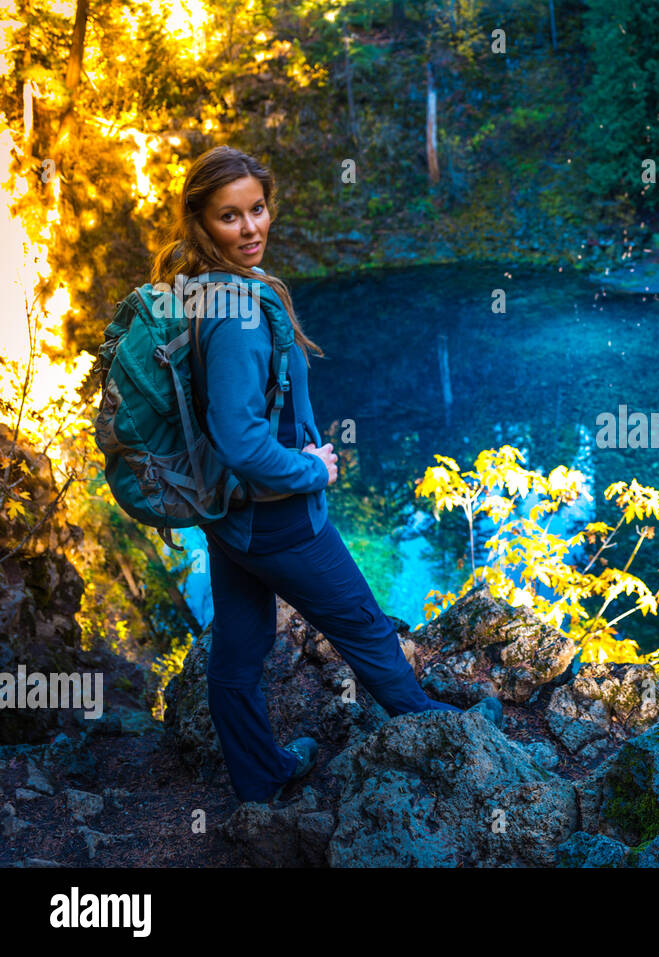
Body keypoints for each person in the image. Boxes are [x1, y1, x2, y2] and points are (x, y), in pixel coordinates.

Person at [151, 145, 498, 805]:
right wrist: (310, 469)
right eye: (230, 216)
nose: (251, 227)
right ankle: (457, 751)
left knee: (238, 651)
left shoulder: (202, 292)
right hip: (278, 517)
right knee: (367, 629)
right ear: (202, 222)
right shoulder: (238, 314)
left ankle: (261, 781)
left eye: (257, 209)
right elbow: (241, 438)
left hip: (230, 519)